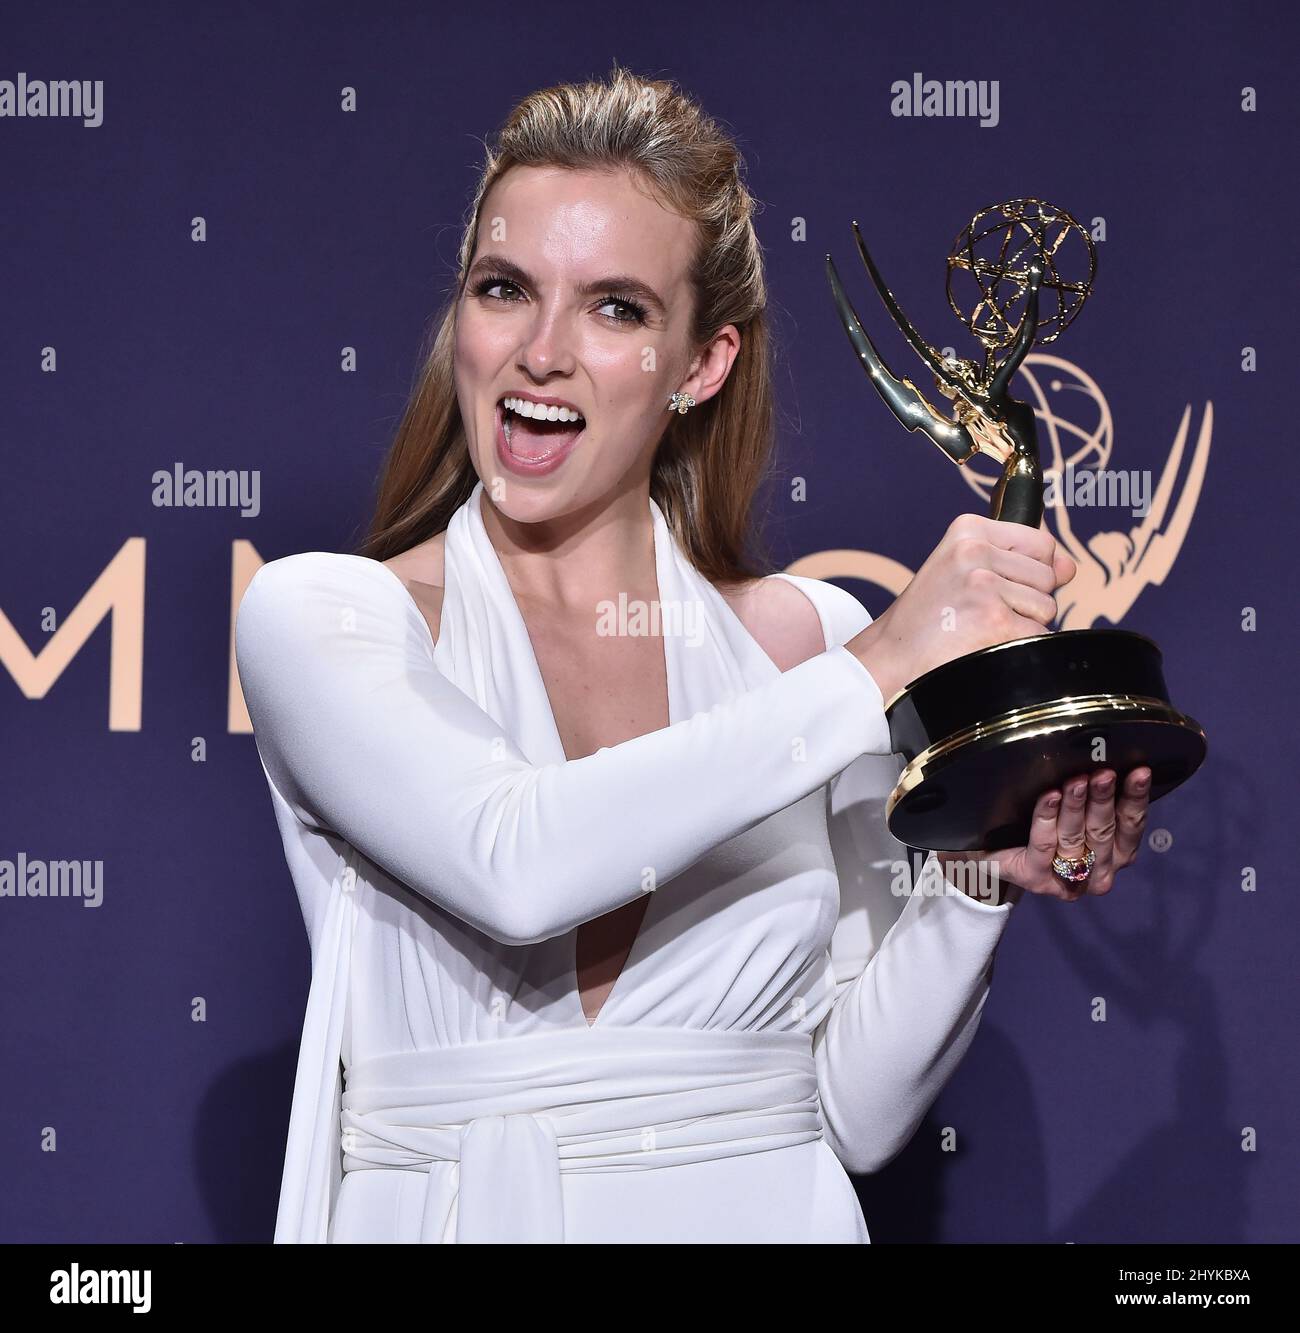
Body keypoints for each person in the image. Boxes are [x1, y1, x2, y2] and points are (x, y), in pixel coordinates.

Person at [234, 63, 1153, 1244]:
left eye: (615, 307)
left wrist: (972, 867)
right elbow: (512, 862)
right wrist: (879, 665)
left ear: (701, 364)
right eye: (505, 288)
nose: (542, 352)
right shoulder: (325, 618)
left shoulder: (802, 644)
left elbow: (855, 1116)